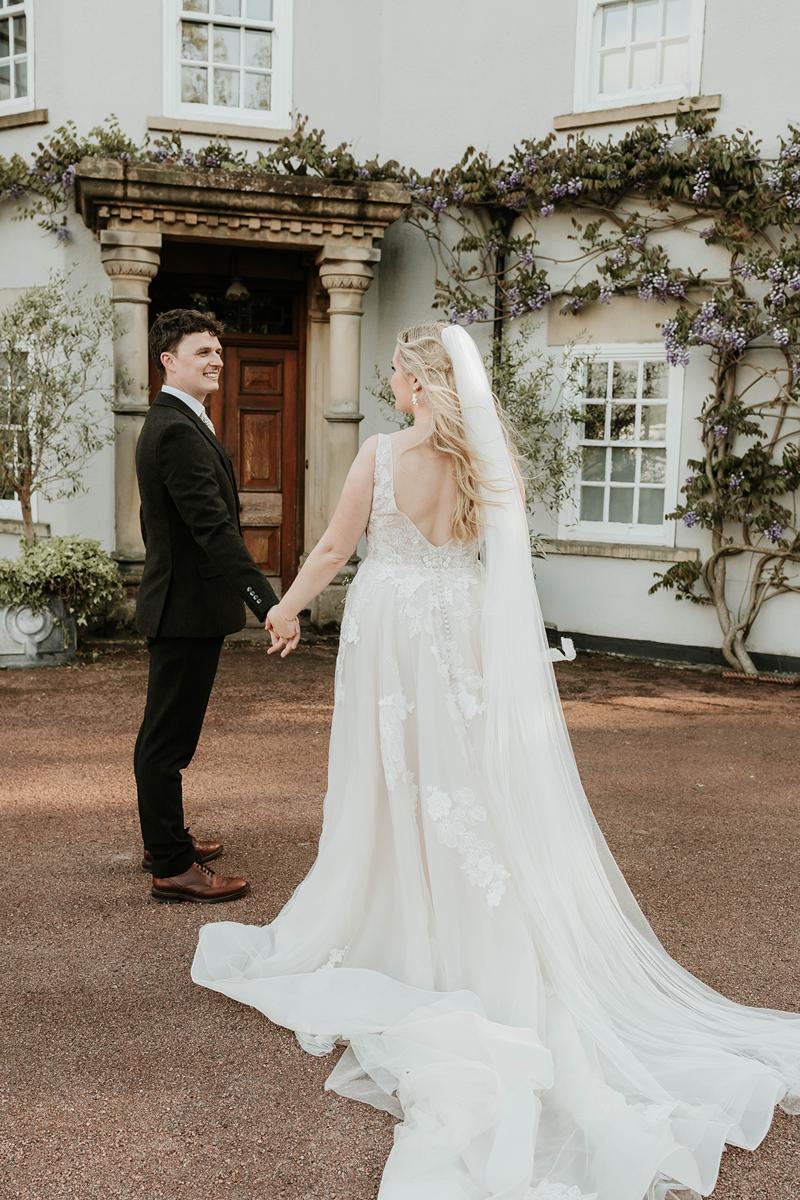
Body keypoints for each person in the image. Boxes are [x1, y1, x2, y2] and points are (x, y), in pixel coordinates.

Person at [193, 323, 800, 1199]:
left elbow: (333, 549)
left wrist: (283, 609)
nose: (392, 385)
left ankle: (400, 915)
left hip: (394, 627)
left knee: (395, 775)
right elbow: (503, 564)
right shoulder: (490, 461)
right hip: (464, 625)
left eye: (397, 373)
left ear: (416, 382)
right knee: (465, 778)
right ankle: (472, 913)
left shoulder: (379, 452)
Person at [134, 308, 299, 905]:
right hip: (182, 609)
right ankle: (172, 866)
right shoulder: (175, 428)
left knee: (170, 736)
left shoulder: (183, 420)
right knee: (166, 741)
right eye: (202, 351)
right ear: (167, 360)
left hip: (186, 606)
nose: (216, 361)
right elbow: (213, 529)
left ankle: (165, 839)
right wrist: (267, 602)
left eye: (219, 353)